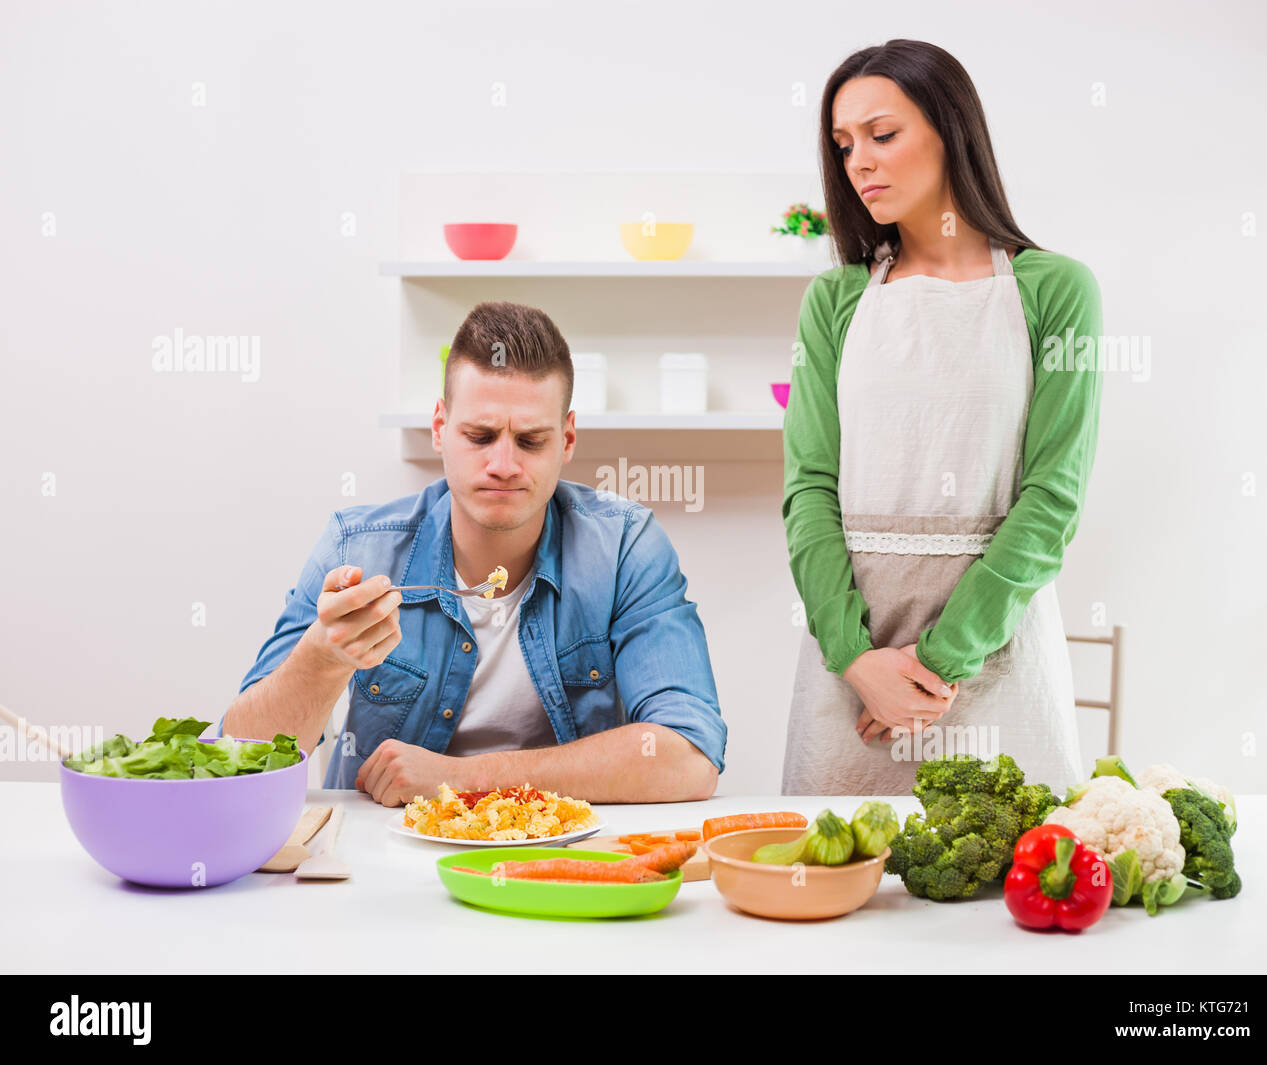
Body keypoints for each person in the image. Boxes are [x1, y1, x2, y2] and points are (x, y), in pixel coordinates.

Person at [220, 301, 725, 805]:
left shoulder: (623, 548)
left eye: (530, 441)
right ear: (440, 427)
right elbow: (238, 760)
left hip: (561, 857)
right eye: (479, 436)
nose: (502, 464)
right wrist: (321, 659)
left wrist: (465, 778)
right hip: (383, 854)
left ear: (567, 439)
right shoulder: (357, 547)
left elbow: (689, 756)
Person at [781, 39, 1103, 796]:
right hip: (851, 669)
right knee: (836, 890)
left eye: (882, 134)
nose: (859, 161)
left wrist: (936, 665)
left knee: (1008, 898)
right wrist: (858, 660)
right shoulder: (834, 301)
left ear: (951, 130)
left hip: (995, 666)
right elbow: (808, 489)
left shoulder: (1055, 290)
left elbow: (1053, 496)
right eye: (844, 144)